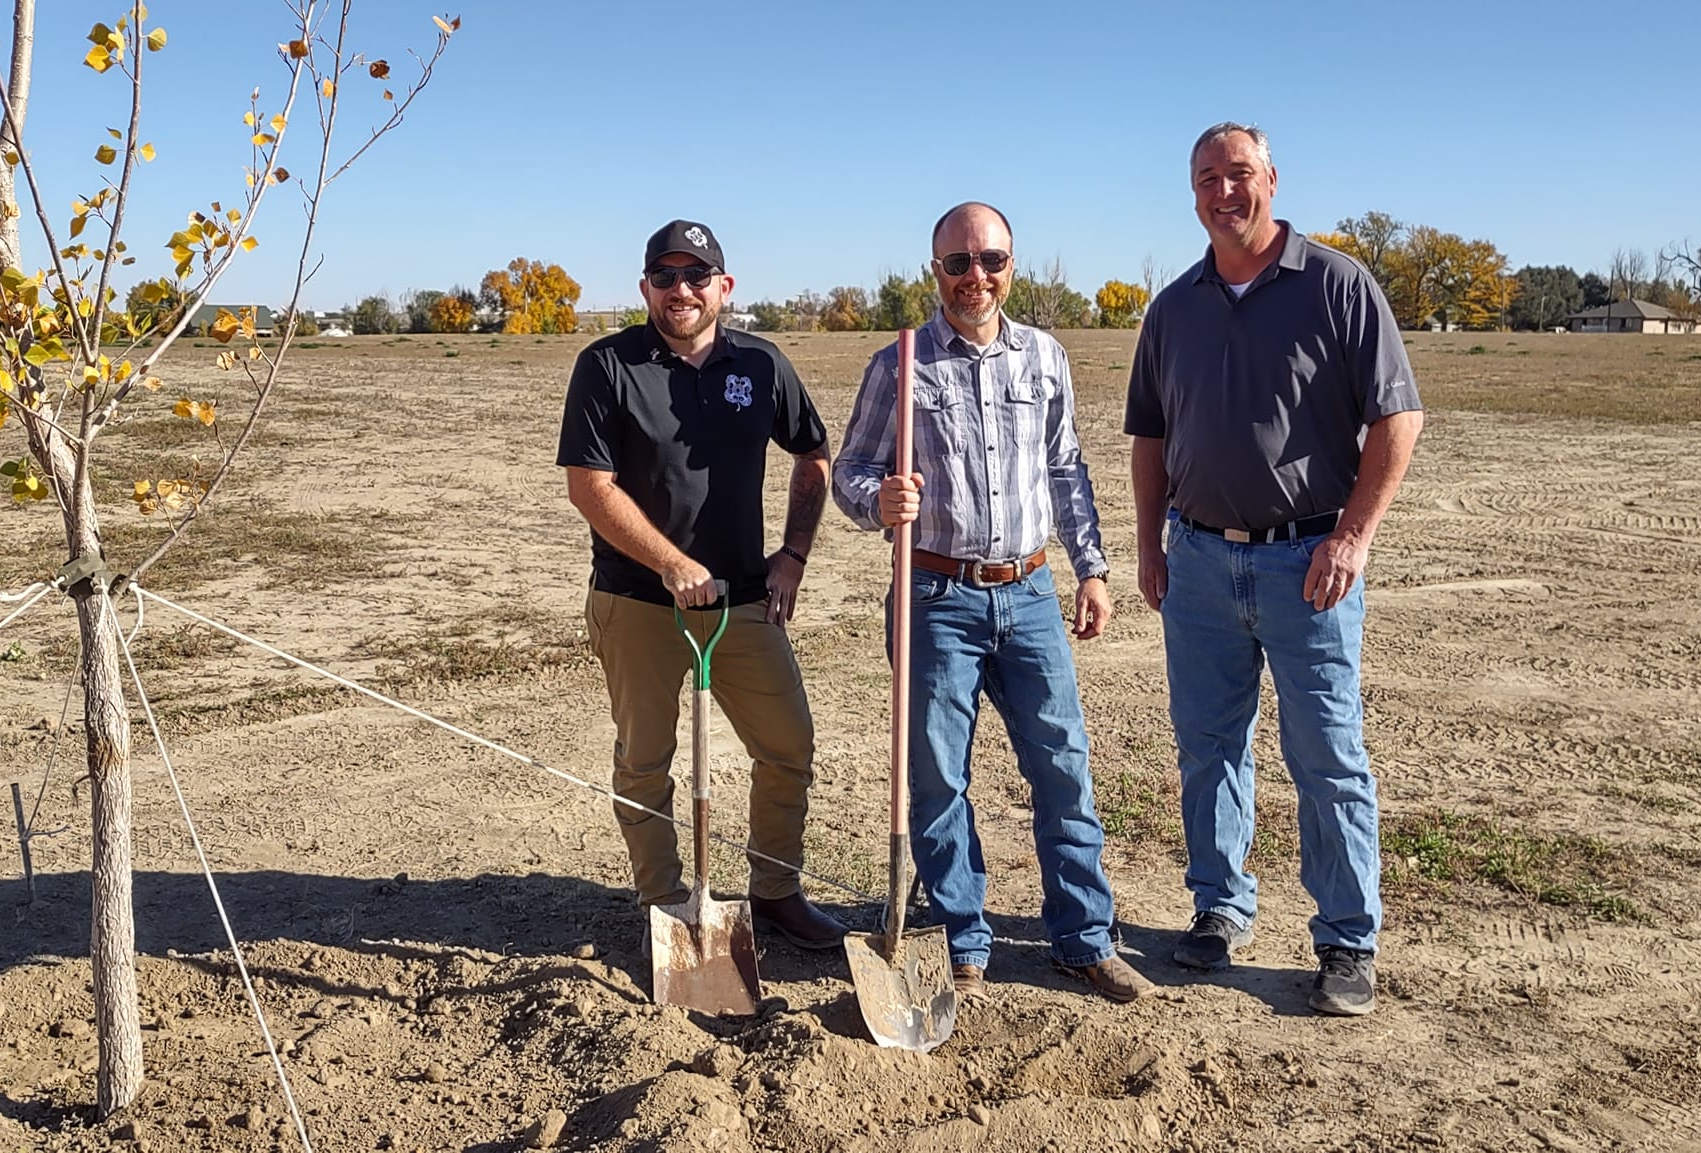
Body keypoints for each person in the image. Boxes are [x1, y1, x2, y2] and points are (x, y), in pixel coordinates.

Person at [1125, 123, 1425, 1017]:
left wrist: (1354, 537)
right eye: (1208, 177)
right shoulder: (1173, 307)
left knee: (1328, 755)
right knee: (1207, 745)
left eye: (1241, 173)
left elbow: (1397, 419)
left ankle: (1345, 940)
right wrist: (1150, 544)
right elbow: (1150, 437)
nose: (1226, 190)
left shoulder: (1335, 285)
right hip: (1202, 562)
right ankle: (1219, 907)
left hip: (1310, 564)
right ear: (1192, 193)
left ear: (1273, 180)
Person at [833, 202, 1152, 1004]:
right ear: (934, 270)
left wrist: (1093, 569)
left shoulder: (1045, 357)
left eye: (992, 260)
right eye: (959, 263)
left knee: (1063, 766)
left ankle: (1082, 937)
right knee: (940, 777)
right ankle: (963, 941)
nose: (976, 276)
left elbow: (1067, 468)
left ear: (1013, 266)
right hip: (936, 593)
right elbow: (849, 472)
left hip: (1033, 591)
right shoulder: (899, 364)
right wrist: (881, 501)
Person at [557, 218, 848, 951]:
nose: (680, 289)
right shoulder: (609, 365)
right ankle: (664, 905)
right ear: (645, 287)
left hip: (741, 601)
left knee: (788, 744)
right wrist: (668, 561)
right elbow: (590, 486)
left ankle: (777, 889)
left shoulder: (762, 363)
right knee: (645, 760)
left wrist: (794, 555)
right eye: (665, 276)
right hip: (636, 600)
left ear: (725, 286)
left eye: (696, 275)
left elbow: (813, 454)